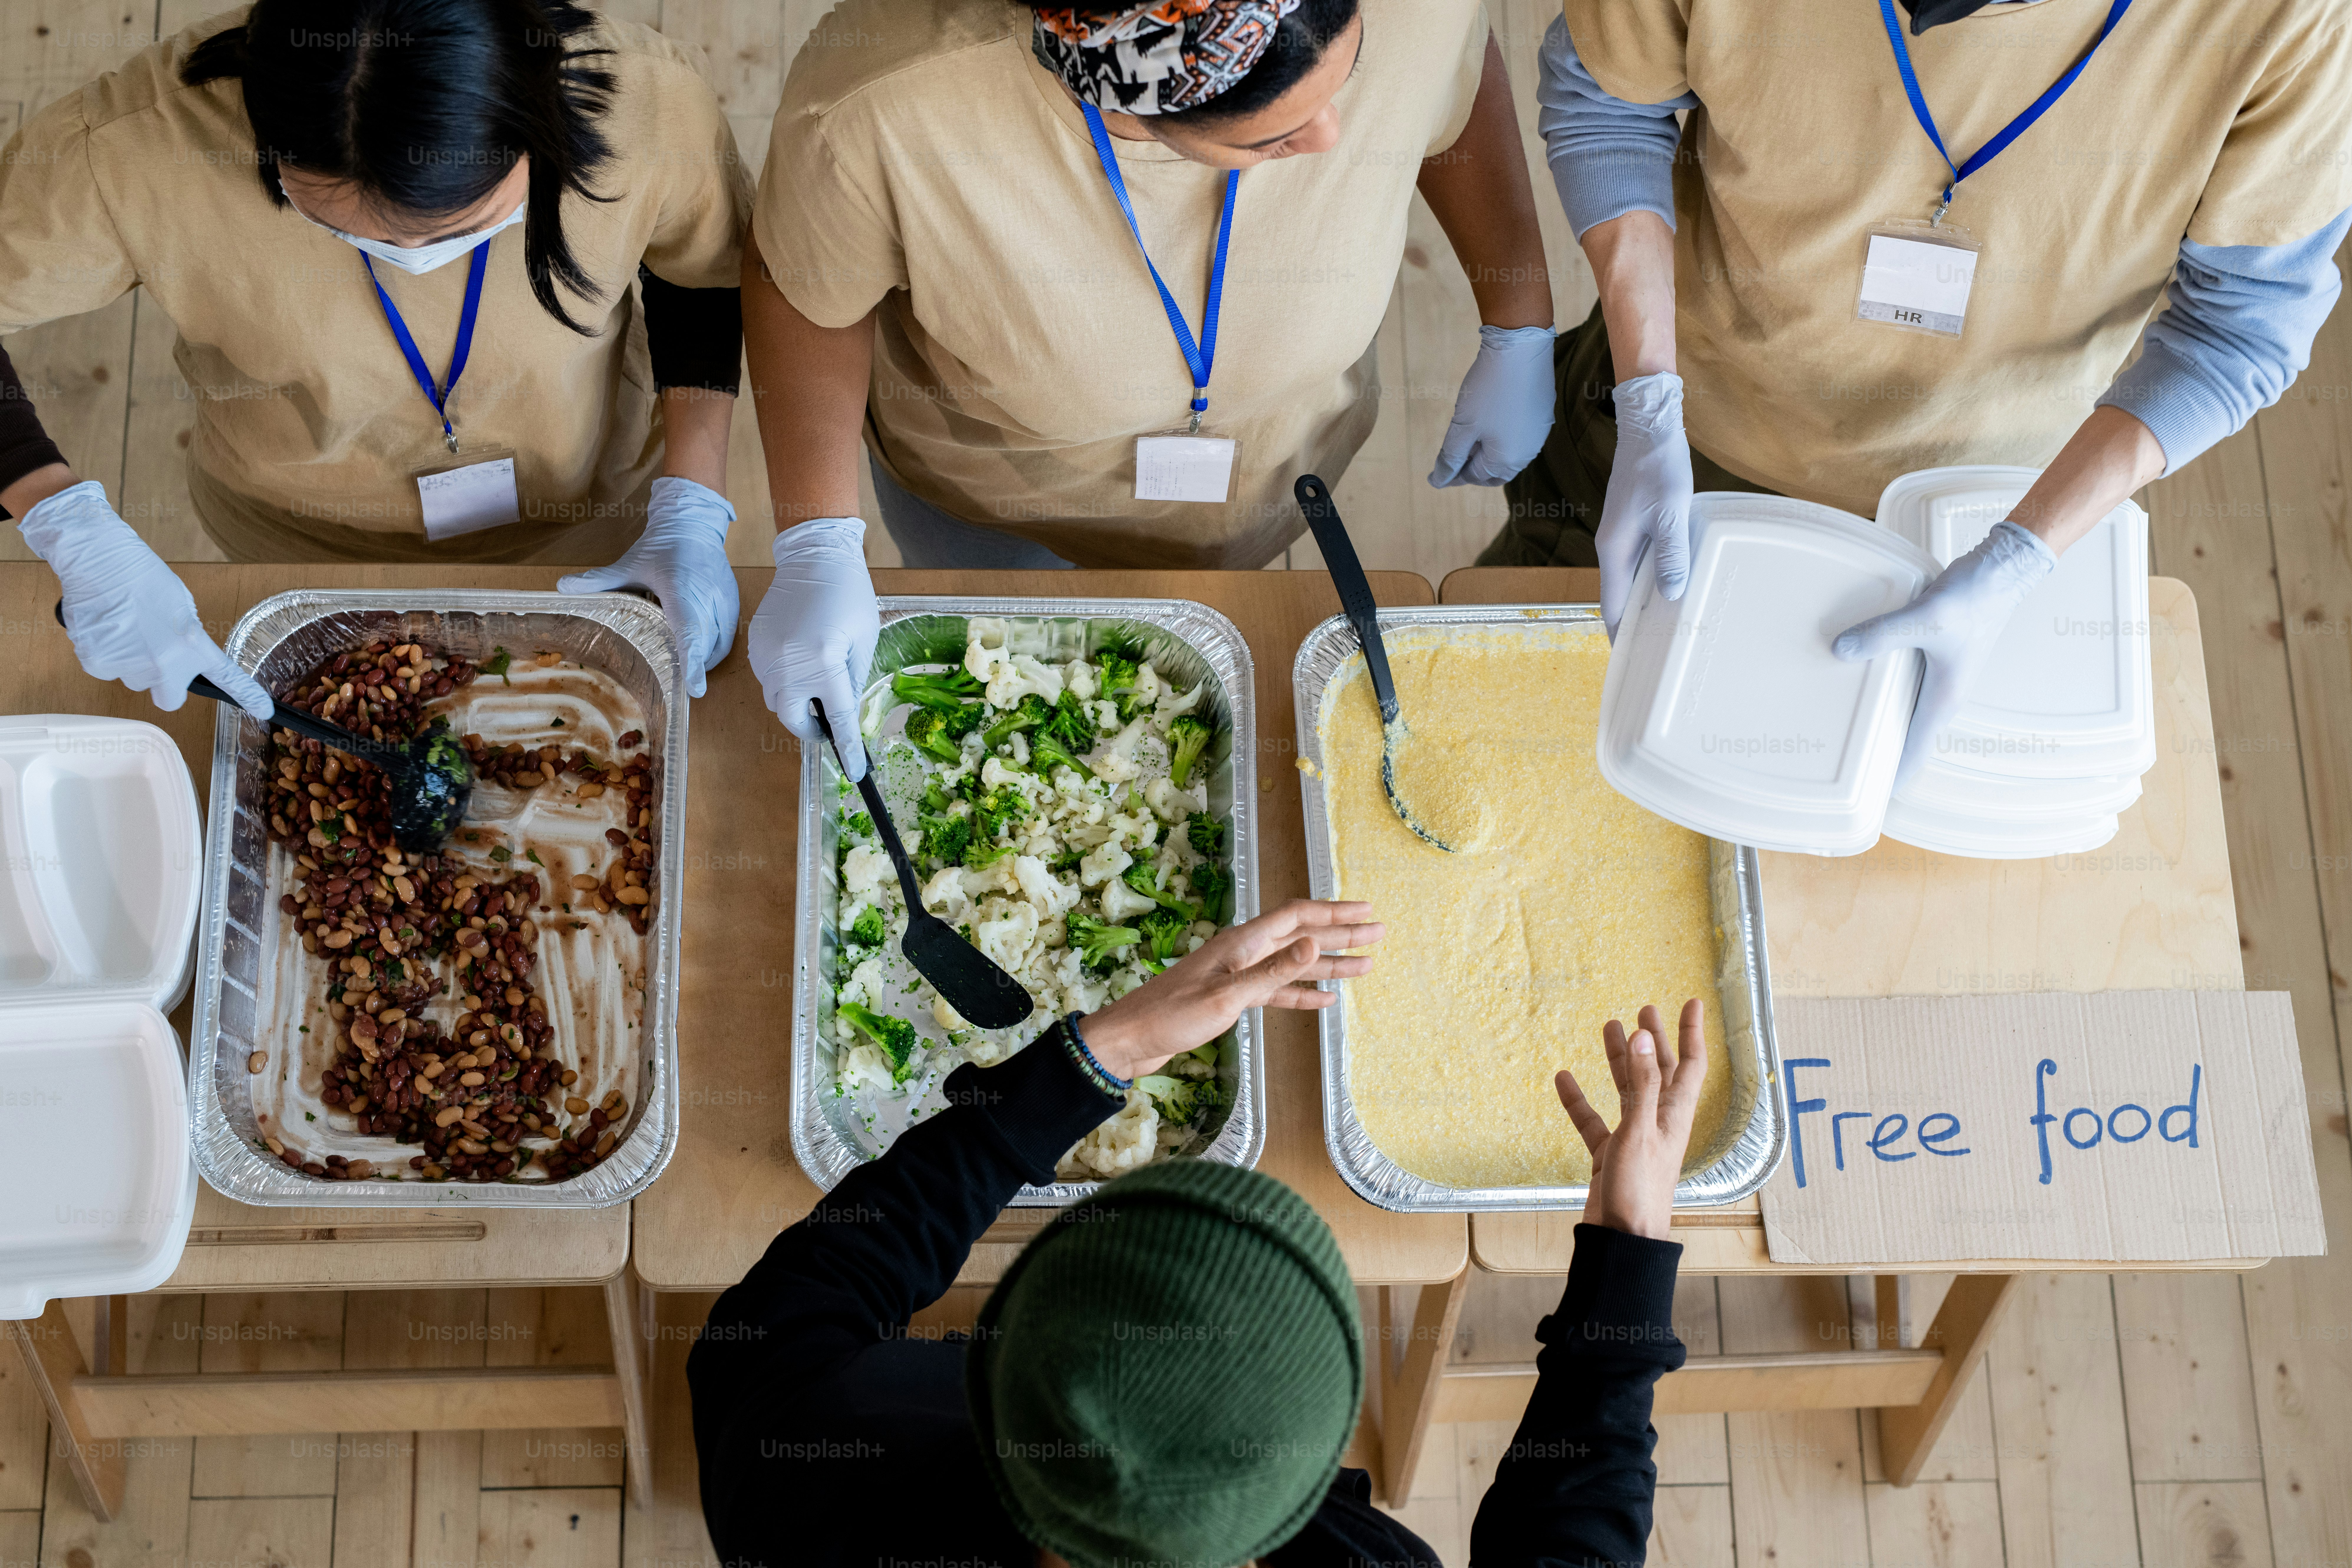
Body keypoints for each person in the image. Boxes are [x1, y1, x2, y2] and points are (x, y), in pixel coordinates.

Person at [689, 896, 1711, 1568]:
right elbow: (1571, 1547)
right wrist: (1626, 1247)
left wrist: (1098, 1054)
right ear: (1302, 1488)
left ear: (1000, 1350)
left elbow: (812, 1291)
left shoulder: (802, 1476)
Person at [1494, 0, 2352, 780]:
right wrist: (1646, 398)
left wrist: (2020, 556)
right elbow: (1606, 101)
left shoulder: (2292, 21)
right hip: (1671, 438)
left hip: (1984, 521)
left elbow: (2238, 326)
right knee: (1521, 738)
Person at [739, 0, 1559, 780]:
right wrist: (817, 539)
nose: (1331, 136)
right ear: (1129, 109)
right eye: (1272, 138)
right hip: (993, 495)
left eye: (1348, 78)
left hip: (1272, 472)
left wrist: (1518, 321)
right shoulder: (882, 106)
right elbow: (803, 292)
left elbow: (1446, 83)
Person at [0, 0, 754, 716]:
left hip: (590, 515)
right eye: (347, 227)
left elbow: (701, 279)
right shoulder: (124, 148)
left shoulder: (648, 103)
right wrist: (60, 515)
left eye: (461, 227)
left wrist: (691, 505)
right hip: (296, 540)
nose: (414, 257)